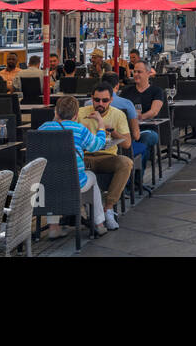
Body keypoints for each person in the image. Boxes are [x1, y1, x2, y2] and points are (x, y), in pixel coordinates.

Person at [38, 94, 109, 236]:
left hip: (46, 184)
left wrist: (55, 119)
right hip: (74, 182)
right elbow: (98, 145)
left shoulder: (43, 128)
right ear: (76, 115)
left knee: (54, 175)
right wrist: (101, 125)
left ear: (56, 112)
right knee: (92, 177)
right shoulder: (79, 129)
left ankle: (53, 227)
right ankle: (99, 223)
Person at [79, 84, 133, 231]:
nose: (100, 104)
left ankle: (108, 208)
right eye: (97, 100)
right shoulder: (80, 113)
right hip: (84, 158)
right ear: (91, 98)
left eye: (105, 100)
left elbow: (127, 144)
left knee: (126, 162)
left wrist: (111, 130)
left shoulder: (118, 114)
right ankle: (75, 212)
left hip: (106, 158)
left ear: (111, 100)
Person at [118, 61, 163, 163]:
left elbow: (154, 112)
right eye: (134, 72)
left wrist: (139, 117)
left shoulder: (156, 91)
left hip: (148, 129)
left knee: (144, 140)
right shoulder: (126, 91)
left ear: (148, 73)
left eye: (139, 72)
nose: (136, 74)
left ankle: (137, 174)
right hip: (128, 130)